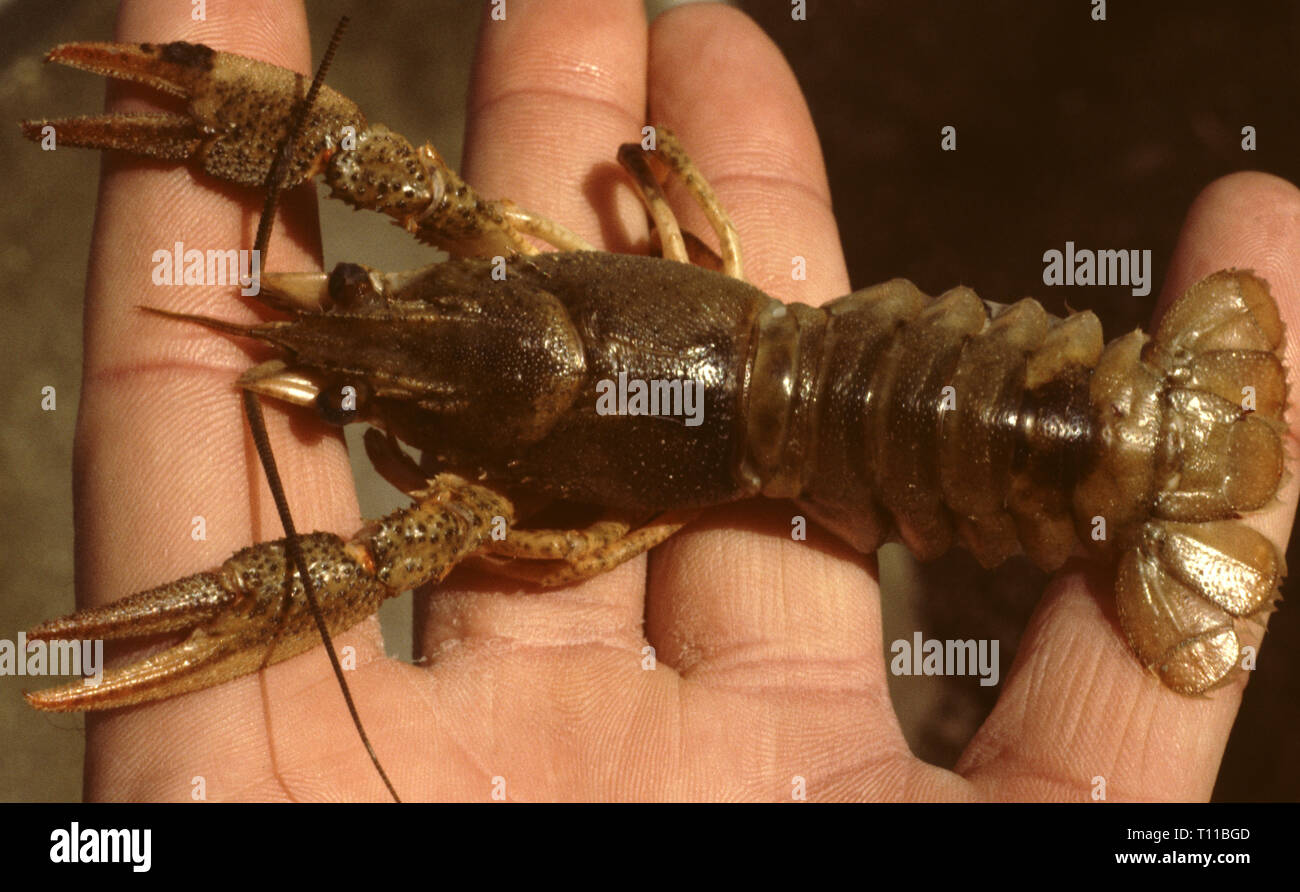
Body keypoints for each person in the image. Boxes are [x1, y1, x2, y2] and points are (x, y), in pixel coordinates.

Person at [78, 0, 1299, 800]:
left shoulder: (475, 459)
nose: (351, 299)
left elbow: (535, 544)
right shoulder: (510, 242)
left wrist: (414, 460)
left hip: (874, 395)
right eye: (354, 299)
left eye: (352, 292)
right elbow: (546, 534)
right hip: (843, 369)